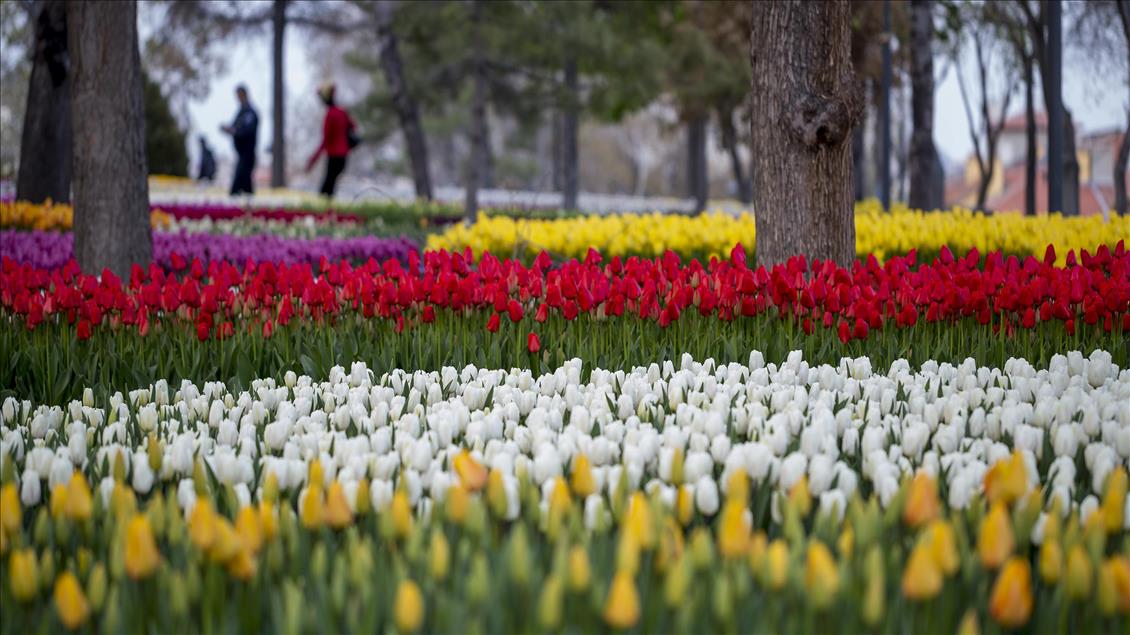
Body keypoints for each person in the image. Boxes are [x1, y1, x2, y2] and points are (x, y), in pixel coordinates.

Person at [306, 82, 355, 198]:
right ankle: (329, 210)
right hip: (343, 156)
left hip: (334, 155)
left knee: (327, 187)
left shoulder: (330, 115)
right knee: (331, 183)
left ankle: (325, 212)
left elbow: (325, 140)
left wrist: (313, 160)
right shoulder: (342, 112)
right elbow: (353, 127)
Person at [221, 84, 258, 195]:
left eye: (239, 95)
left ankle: (245, 207)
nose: (238, 98)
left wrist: (234, 131)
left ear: (244, 95)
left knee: (240, 182)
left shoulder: (249, 112)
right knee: (244, 184)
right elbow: (235, 126)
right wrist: (230, 129)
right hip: (241, 153)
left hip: (247, 152)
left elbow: (247, 130)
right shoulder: (241, 112)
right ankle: (246, 207)